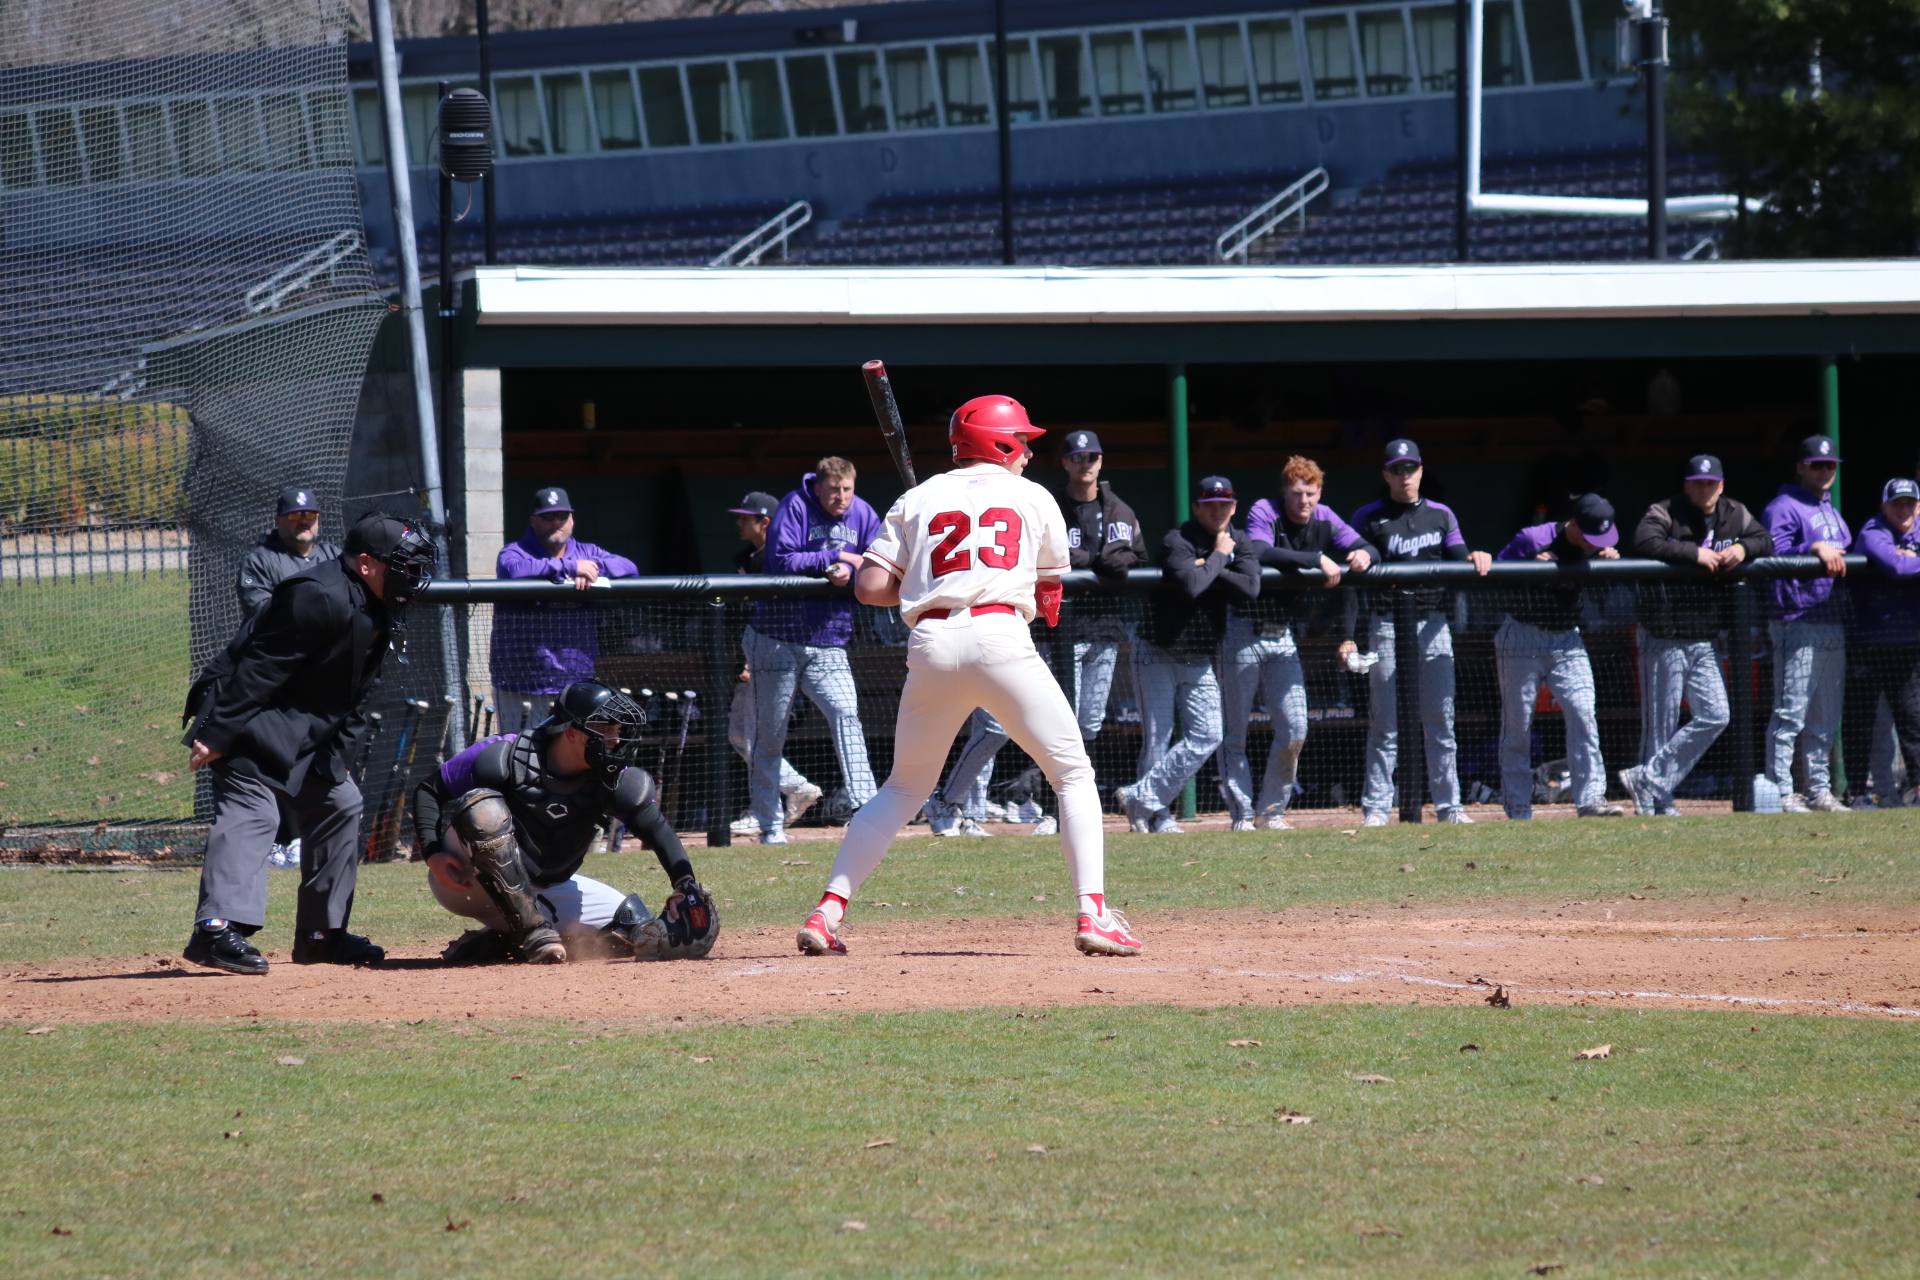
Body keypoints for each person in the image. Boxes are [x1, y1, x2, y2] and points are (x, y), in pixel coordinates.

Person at [795, 394, 1140, 958]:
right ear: (998, 443)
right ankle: (1094, 915)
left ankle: (827, 910)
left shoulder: (918, 496)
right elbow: (1051, 584)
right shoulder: (1033, 496)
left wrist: (920, 576)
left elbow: (869, 589)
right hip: (1001, 637)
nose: (1028, 452)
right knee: (1073, 773)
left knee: (903, 788)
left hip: (931, 643)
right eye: (1021, 441)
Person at [179, 514, 435, 975]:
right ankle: (215, 930)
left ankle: (322, 935)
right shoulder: (317, 595)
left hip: (305, 728)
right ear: (364, 563)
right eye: (402, 562)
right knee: (254, 811)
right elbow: (259, 669)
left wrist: (335, 761)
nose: (413, 572)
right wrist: (217, 734)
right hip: (249, 714)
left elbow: (359, 690)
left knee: (340, 802)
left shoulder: (384, 600)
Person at [411, 681, 717, 964]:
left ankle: (495, 943)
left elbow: (657, 828)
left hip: (542, 888)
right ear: (571, 732)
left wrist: (685, 886)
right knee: (485, 810)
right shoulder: (506, 755)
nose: (616, 738)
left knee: (634, 930)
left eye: (620, 728)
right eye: (607, 728)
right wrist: (434, 852)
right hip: (468, 879)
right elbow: (430, 790)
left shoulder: (612, 778)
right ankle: (532, 934)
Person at [1350, 439, 1491, 826]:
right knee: (1385, 723)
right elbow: (1350, 565)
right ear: (1386, 475)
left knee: (1441, 720)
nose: (1404, 475)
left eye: (1410, 468)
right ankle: (1377, 810)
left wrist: (1477, 556)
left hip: (1433, 626)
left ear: (1421, 471)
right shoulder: (1369, 515)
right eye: (1396, 469)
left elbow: (1461, 559)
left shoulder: (1441, 514)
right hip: (1386, 625)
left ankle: (1449, 807)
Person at [1621, 455, 1772, 816]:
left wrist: (1742, 547)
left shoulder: (1735, 512)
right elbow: (1643, 542)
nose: (1704, 489)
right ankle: (1659, 802)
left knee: (1717, 714)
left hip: (1703, 634)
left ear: (1721, 486)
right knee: (1661, 722)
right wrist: (1693, 554)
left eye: (1711, 483)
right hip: (1664, 631)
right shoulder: (1665, 510)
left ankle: (1648, 780)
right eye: (1697, 483)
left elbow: (1765, 540)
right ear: (1687, 484)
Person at [1229, 456, 1372, 830]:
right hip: (1243, 629)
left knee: (1295, 730)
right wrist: (1318, 559)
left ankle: (1271, 812)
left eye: (1310, 493)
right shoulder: (1266, 510)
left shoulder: (1325, 516)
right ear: (1285, 492)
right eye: (1296, 493)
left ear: (1319, 492)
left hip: (1283, 634)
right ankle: (1242, 816)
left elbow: (1363, 546)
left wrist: (1363, 554)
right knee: (1235, 730)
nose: (1303, 501)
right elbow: (1258, 552)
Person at [746, 458, 882, 844]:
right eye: (834, 489)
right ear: (818, 487)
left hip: (829, 640)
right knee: (769, 735)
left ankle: (867, 809)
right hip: (776, 636)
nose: (840, 497)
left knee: (846, 713)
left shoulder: (864, 513)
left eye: (847, 490)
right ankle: (770, 825)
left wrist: (852, 571)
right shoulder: (795, 505)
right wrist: (832, 560)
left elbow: (876, 562)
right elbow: (781, 559)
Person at [1115, 476, 1261, 834]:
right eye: (1210, 503)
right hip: (1157, 650)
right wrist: (1220, 558)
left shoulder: (1239, 539)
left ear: (1234, 506)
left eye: (1224, 503)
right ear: (1197, 507)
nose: (1217, 510)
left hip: (1199, 657)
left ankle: (1141, 799)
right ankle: (1158, 815)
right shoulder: (1177, 539)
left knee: (1209, 734)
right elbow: (1192, 586)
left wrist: (1211, 566)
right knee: (1158, 736)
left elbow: (1252, 588)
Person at [1492, 494, 1628, 819]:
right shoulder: (1532, 537)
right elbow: (1495, 575)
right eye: (1592, 537)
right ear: (1575, 525)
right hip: (1523, 633)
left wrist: (1605, 560)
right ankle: (1518, 807)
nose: (1595, 544)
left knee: (1583, 712)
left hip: (1567, 636)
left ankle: (1591, 799)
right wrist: (1530, 568)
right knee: (1518, 726)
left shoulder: (1595, 547)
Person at [489, 487, 639, 734]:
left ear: (572, 519)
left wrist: (590, 568)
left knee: (570, 759)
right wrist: (570, 568)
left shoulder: (588, 553)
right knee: (519, 757)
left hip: (574, 683)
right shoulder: (515, 551)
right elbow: (515, 570)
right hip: (521, 681)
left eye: (562, 515)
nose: (556, 522)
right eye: (548, 516)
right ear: (534, 520)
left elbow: (629, 568)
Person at [722, 491, 822, 838]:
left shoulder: (783, 558)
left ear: (765, 521)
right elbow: (740, 613)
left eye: (745, 517)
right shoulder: (746, 557)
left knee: (755, 738)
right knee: (739, 734)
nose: (739, 523)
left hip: (777, 656)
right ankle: (794, 789)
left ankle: (768, 807)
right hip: (752, 651)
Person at [1764, 436, 1852, 813]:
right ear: (1800, 466)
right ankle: (1782, 791)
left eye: (1830, 464)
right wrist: (1811, 548)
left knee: (1826, 714)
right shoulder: (1782, 506)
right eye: (1817, 464)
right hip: (1795, 619)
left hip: (1830, 619)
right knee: (1790, 712)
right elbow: (1772, 557)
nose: (1825, 470)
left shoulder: (1830, 510)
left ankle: (1819, 790)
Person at [1054, 431, 1147, 740]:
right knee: (1058, 720)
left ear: (1101, 460)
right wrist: (1097, 558)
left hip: (1105, 626)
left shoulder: (1119, 510)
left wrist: (1115, 561)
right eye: (1077, 457)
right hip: (1059, 630)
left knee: (1091, 721)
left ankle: (1082, 786)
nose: (1085, 463)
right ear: (1065, 462)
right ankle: (1049, 787)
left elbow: (1140, 558)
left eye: (1091, 457)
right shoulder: (1052, 507)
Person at [1841, 479, 1920, 806]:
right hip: (1867, 641)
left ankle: (1916, 791)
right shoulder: (1872, 531)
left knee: (1913, 722)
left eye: (1910, 504)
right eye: (1897, 504)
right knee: (1862, 721)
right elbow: (1897, 566)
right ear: (1884, 506)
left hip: (1908, 644)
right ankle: (1857, 792)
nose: (1904, 510)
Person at [237, 486, 340, 621]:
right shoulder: (259, 561)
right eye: (294, 515)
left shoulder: (333, 555)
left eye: (310, 514)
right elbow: (261, 612)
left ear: (318, 518)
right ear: (278, 520)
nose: (303, 521)